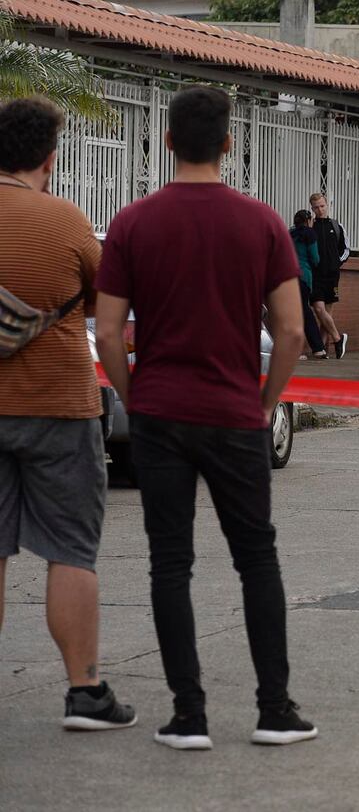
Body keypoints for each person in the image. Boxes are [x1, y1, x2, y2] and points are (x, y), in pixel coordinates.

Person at [95, 85, 314, 751]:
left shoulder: (132, 223)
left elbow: (107, 334)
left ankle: (188, 715)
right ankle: (273, 709)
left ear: (166, 143)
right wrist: (267, 400)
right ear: (229, 143)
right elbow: (293, 332)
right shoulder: (262, 225)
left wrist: (136, 398)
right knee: (257, 558)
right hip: (233, 413)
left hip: (160, 411)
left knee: (170, 563)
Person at [0, 96, 136, 733]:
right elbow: (107, 303)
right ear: (49, 158)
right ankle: (85, 693)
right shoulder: (64, 219)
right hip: (59, 404)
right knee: (71, 553)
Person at [308, 192, 349, 359]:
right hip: (315, 275)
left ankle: (321, 350)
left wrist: (336, 263)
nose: (320, 210)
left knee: (327, 313)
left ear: (327, 205)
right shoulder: (310, 227)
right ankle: (338, 338)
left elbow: (346, 250)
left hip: (332, 275)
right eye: (316, 207)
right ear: (312, 208)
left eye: (322, 206)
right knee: (318, 309)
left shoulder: (337, 226)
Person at [290, 210, 327, 359]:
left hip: (287, 277)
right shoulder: (310, 234)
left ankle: (313, 348)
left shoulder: (289, 233)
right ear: (308, 221)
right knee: (304, 312)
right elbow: (315, 258)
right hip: (303, 276)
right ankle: (315, 348)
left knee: (296, 313)